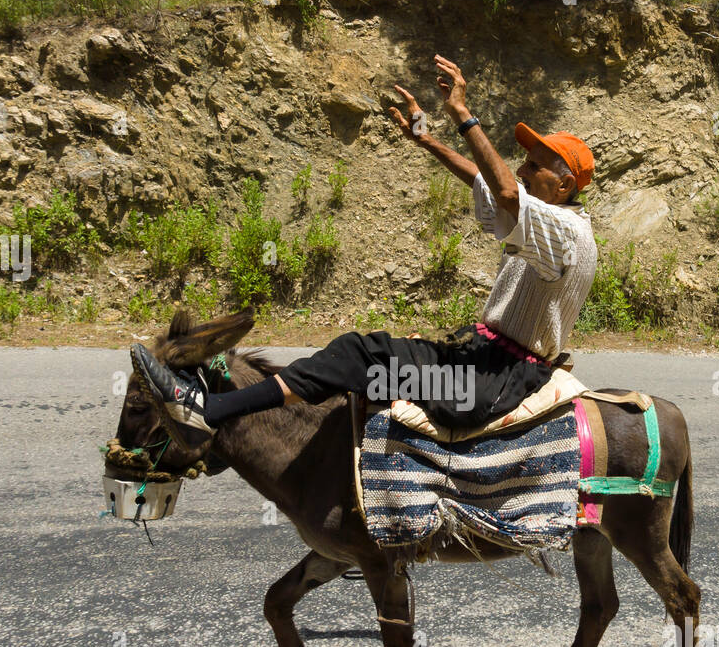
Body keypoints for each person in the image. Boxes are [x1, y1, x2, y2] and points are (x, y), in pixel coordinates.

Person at [131, 54, 597, 450]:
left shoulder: (565, 233)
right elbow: (489, 184)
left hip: (496, 380)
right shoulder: (554, 221)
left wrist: (462, 113)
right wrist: (426, 140)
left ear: (563, 185)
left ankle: (209, 412)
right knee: (364, 358)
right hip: (480, 361)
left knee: (360, 356)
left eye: (534, 166)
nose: (522, 170)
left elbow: (507, 194)